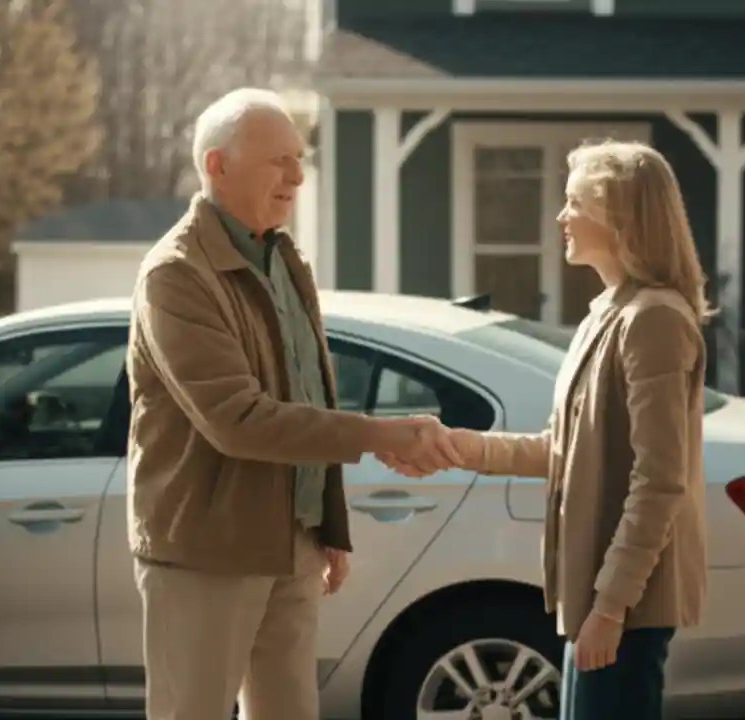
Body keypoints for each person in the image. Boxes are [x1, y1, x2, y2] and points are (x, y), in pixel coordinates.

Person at [126, 87, 460, 720]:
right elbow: (238, 420)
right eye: (278, 159)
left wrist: (326, 521)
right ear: (217, 166)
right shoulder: (175, 275)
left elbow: (308, 391)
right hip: (207, 552)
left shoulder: (285, 258)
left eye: (299, 159)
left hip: (294, 544)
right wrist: (382, 436)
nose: (297, 177)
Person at [385, 139, 712, 720]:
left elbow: (661, 481)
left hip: (623, 606)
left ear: (618, 216)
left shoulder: (654, 319)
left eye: (573, 203)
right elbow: (564, 450)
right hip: (591, 596)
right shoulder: (607, 314)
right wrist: (454, 446)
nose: (561, 218)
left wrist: (612, 608)